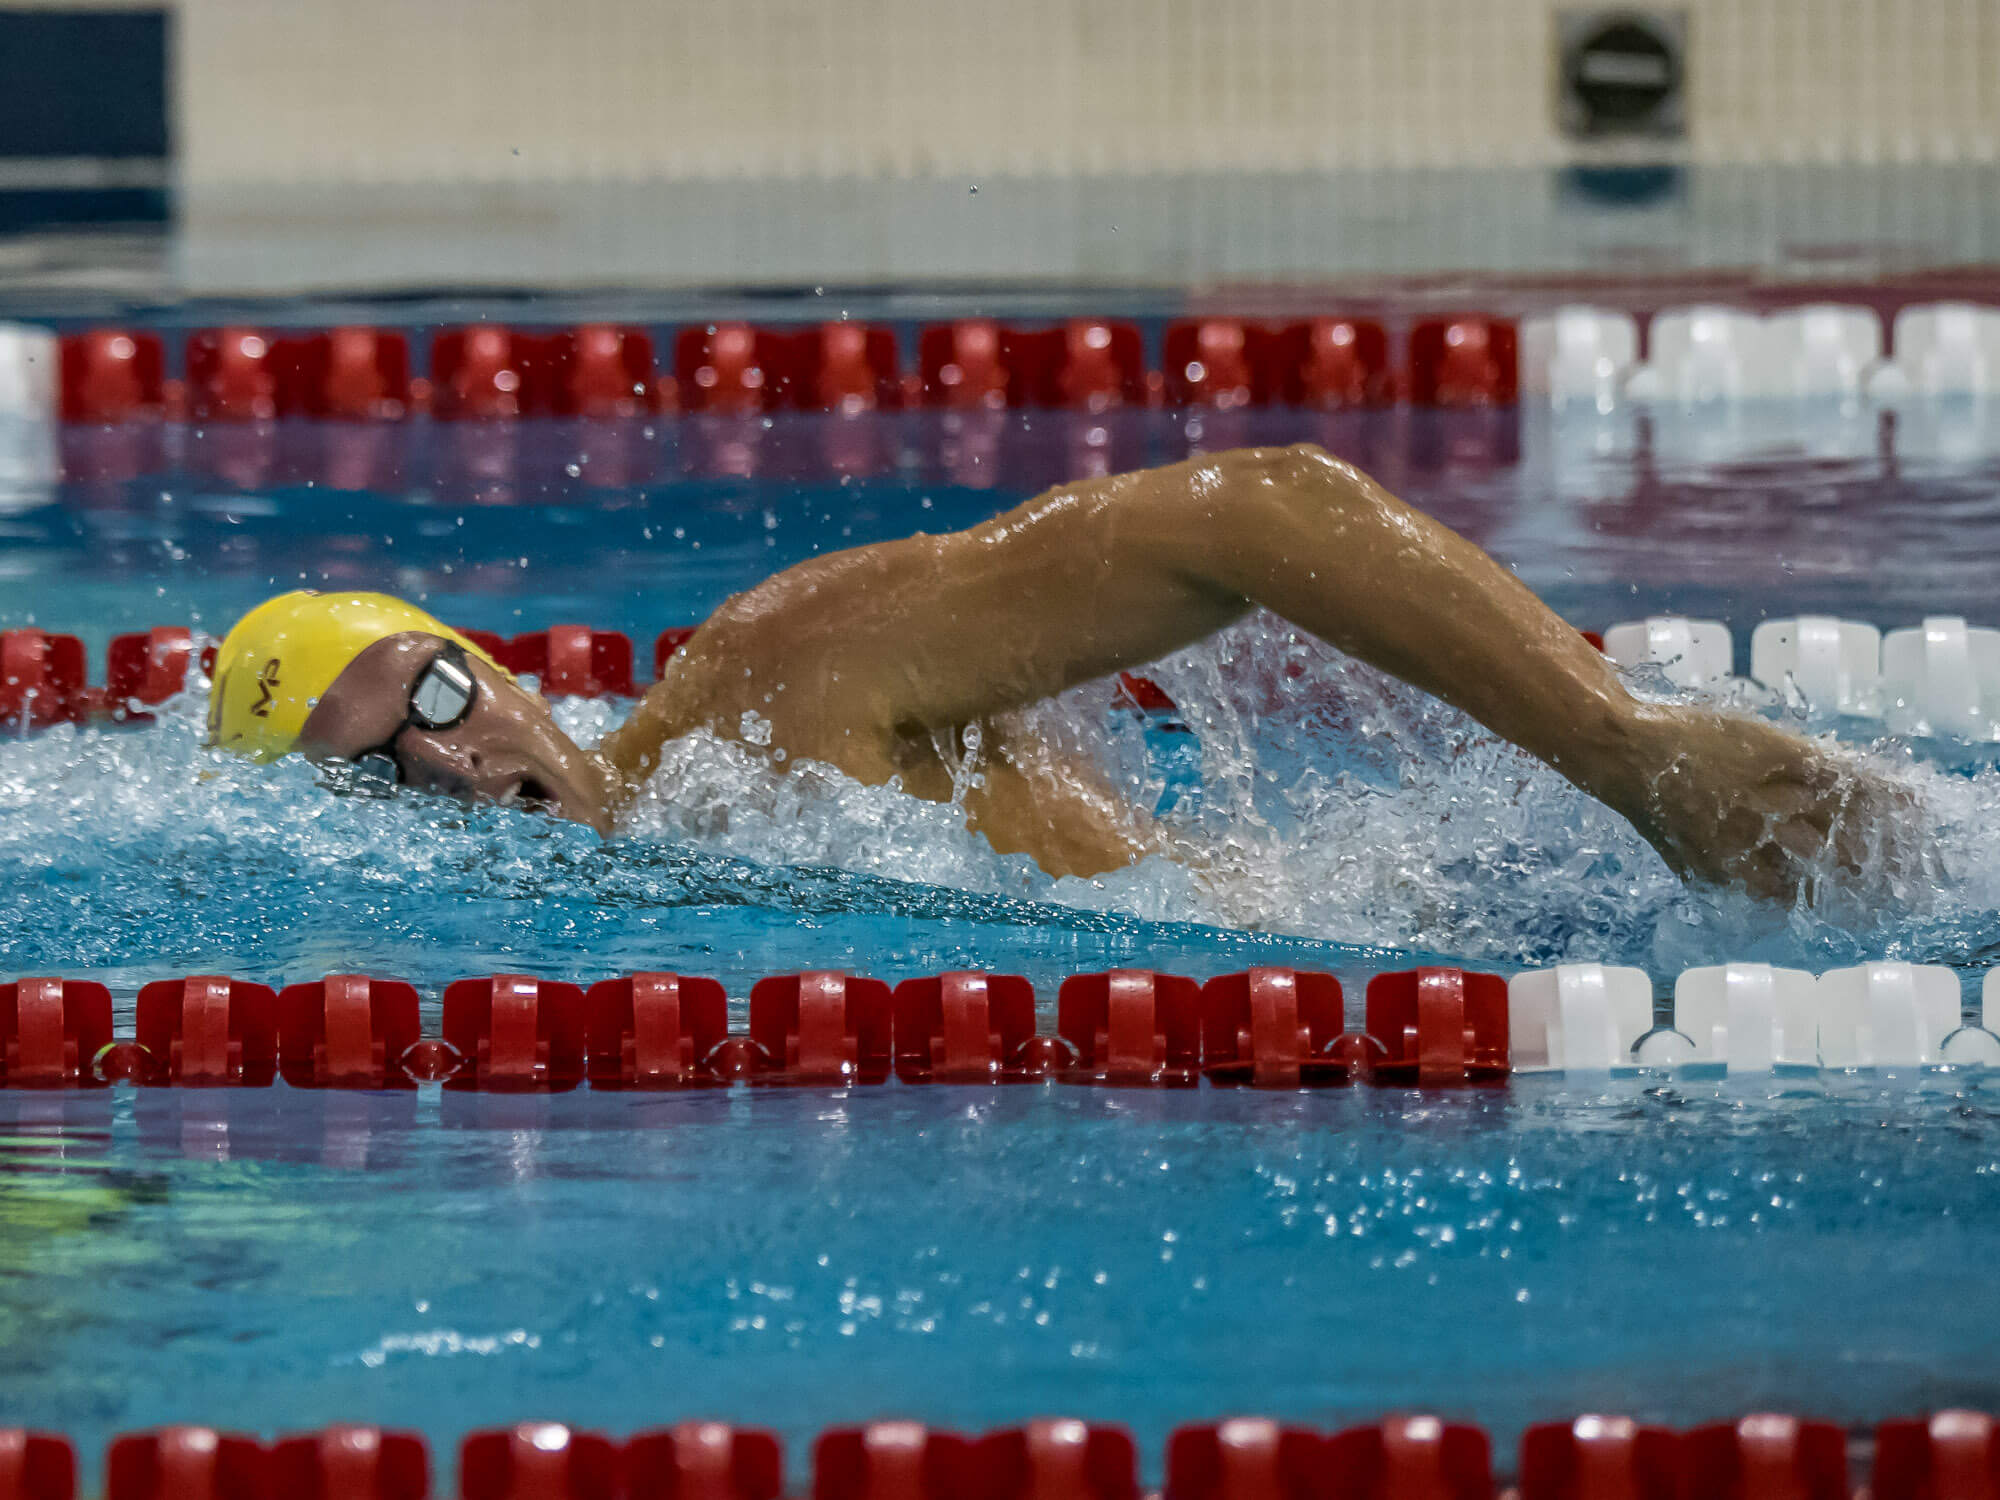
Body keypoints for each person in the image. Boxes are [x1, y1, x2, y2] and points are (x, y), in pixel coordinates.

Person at [206, 444, 1910, 905]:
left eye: (435, 700)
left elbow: (1258, 508)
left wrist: (1628, 752)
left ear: (498, 672)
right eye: (376, 767)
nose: (449, 765)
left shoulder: (769, 691)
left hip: (1448, 956)